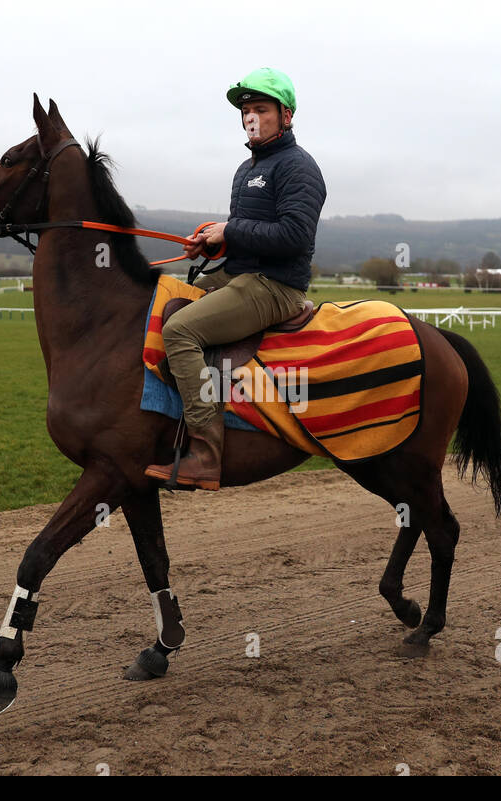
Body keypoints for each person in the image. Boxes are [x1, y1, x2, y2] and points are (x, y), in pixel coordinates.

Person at [144, 67, 327, 490]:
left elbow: (295, 236)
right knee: (161, 298)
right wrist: (211, 242)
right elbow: (245, 234)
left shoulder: (299, 167)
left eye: (261, 109)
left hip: (275, 286)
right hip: (238, 274)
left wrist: (231, 230)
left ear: (286, 115)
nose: (251, 118)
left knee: (180, 331)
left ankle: (206, 455)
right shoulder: (247, 169)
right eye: (246, 111)